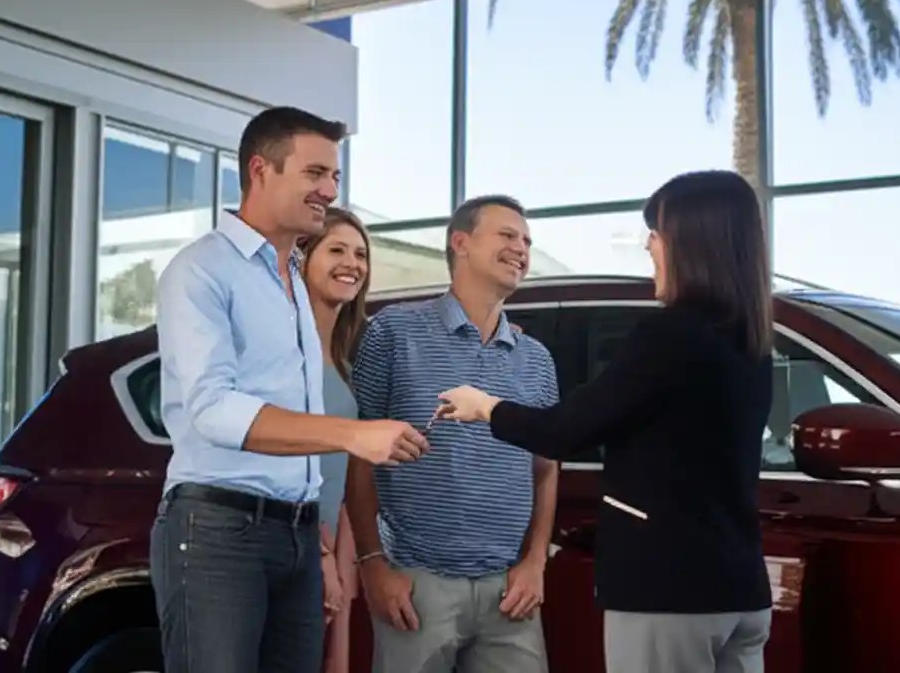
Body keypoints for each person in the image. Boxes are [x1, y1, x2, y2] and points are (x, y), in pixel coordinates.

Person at [437, 170, 775, 673]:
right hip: (740, 591)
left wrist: (486, 406)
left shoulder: (668, 336)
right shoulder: (753, 342)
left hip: (667, 590)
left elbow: (565, 430)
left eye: (656, 234)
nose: (649, 247)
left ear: (692, 241)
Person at [150, 106, 430, 673]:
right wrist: (353, 434)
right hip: (218, 532)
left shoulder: (291, 283)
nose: (328, 190)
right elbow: (212, 409)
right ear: (260, 170)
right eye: (314, 173)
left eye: (335, 177)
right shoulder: (201, 270)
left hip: (299, 536)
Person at [346, 195, 560, 673]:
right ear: (459, 243)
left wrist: (534, 564)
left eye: (526, 241)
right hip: (417, 583)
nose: (521, 248)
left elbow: (546, 467)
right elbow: (358, 455)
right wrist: (373, 564)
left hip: (510, 592)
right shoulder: (394, 333)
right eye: (507, 235)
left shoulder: (537, 360)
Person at [297, 206, 374, 673]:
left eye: (361, 254)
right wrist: (319, 555)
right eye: (337, 250)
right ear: (303, 258)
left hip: (329, 544)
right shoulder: (283, 350)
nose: (353, 263)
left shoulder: (344, 357)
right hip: (292, 541)